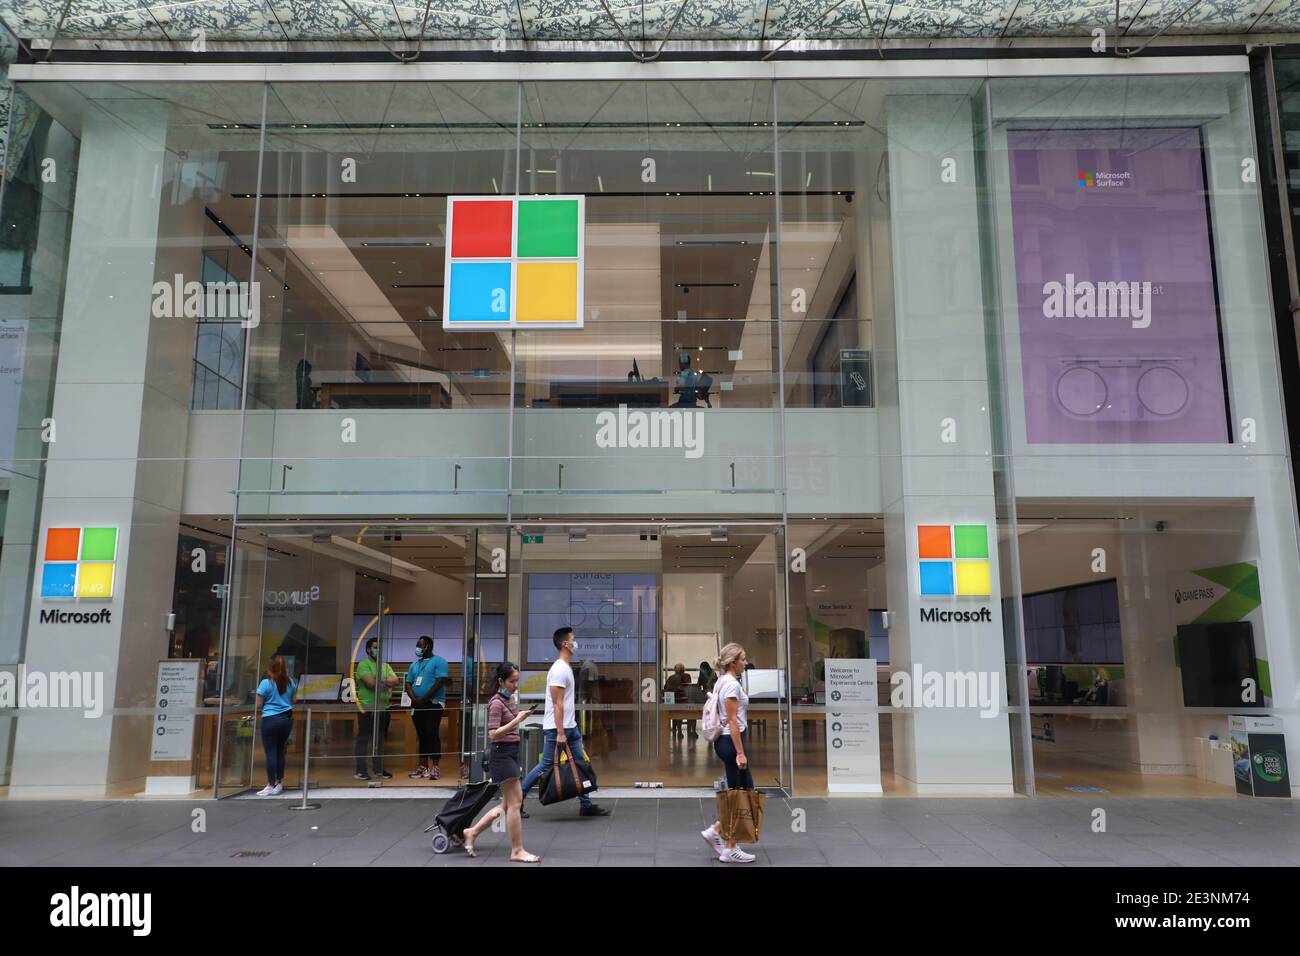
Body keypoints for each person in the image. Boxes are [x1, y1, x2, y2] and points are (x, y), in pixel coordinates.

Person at [519, 626, 610, 817]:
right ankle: (517, 802)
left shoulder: (566, 667)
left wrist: (569, 728)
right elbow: (557, 703)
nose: (576, 642)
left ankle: (586, 805)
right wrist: (560, 732)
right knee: (545, 766)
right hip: (557, 729)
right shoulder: (559, 669)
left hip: (570, 727)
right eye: (573, 639)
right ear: (565, 644)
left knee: (579, 763)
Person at [460, 662, 541, 862]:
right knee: (515, 803)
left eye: (516, 681)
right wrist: (517, 720)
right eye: (512, 681)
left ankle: (472, 832)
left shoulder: (509, 699)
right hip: (501, 754)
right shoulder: (496, 702)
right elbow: (493, 734)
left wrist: (519, 717)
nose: (515, 685)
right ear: (500, 681)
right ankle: (516, 850)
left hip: (510, 752)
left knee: (508, 804)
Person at [701, 643, 755, 863]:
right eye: (743, 659)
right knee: (743, 795)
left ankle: (717, 832)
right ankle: (729, 847)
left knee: (739, 793)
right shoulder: (731, 684)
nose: (745, 662)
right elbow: (732, 720)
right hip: (731, 742)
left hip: (725, 742)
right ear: (733, 662)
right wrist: (740, 752)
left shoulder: (722, 681)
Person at [405, 635, 450, 780]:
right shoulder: (414, 665)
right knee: (422, 734)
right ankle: (423, 765)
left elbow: (440, 681)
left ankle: (435, 766)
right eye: (417, 645)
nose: (417, 648)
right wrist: (414, 699)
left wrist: (424, 698)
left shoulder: (439, 661)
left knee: (432, 732)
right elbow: (408, 683)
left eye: (420, 645)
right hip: (417, 704)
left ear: (428, 646)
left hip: (434, 703)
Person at [355, 636, 399, 781]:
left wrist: (381, 681)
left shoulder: (385, 665)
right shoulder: (363, 664)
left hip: (383, 707)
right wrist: (387, 683)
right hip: (367, 707)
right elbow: (371, 684)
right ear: (368, 650)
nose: (378, 650)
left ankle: (378, 769)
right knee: (364, 739)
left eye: (380, 648)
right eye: (375, 647)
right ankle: (361, 770)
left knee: (379, 739)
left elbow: (396, 680)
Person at [255, 655, 296, 797]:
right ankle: (279, 782)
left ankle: (270, 785)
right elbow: (293, 701)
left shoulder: (265, 683)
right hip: (286, 720)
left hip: (270, 720)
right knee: (280, 752)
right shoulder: (291, 682)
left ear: (270, 668)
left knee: (270, 752)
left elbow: (259, 704)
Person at [664, 663, 696, 739]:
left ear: (675, 670)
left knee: (678, 712)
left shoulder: (671, 678)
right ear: (684, 670)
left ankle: (679, 731)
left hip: (677, 701)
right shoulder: (687, 676)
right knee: (692, 712)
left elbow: (666, 689)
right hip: (687, 702)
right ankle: (692, 731)